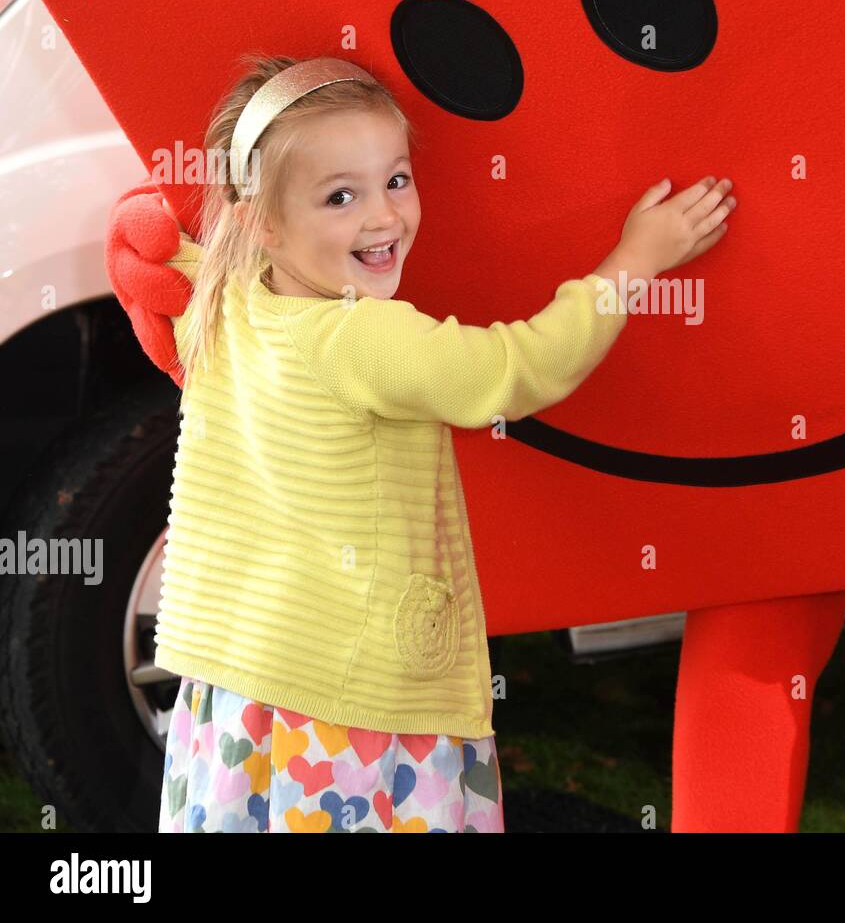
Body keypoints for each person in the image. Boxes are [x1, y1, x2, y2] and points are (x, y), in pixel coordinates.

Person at [142, 52, 736, 832]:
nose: (384, 216)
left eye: (395, 179)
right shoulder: (362, 337)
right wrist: (637, 261)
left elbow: (167, 243)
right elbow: (517, 367)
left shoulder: (225, 303)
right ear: (263, 220)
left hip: (240, 690)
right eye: (340, 197)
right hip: (347, 709)